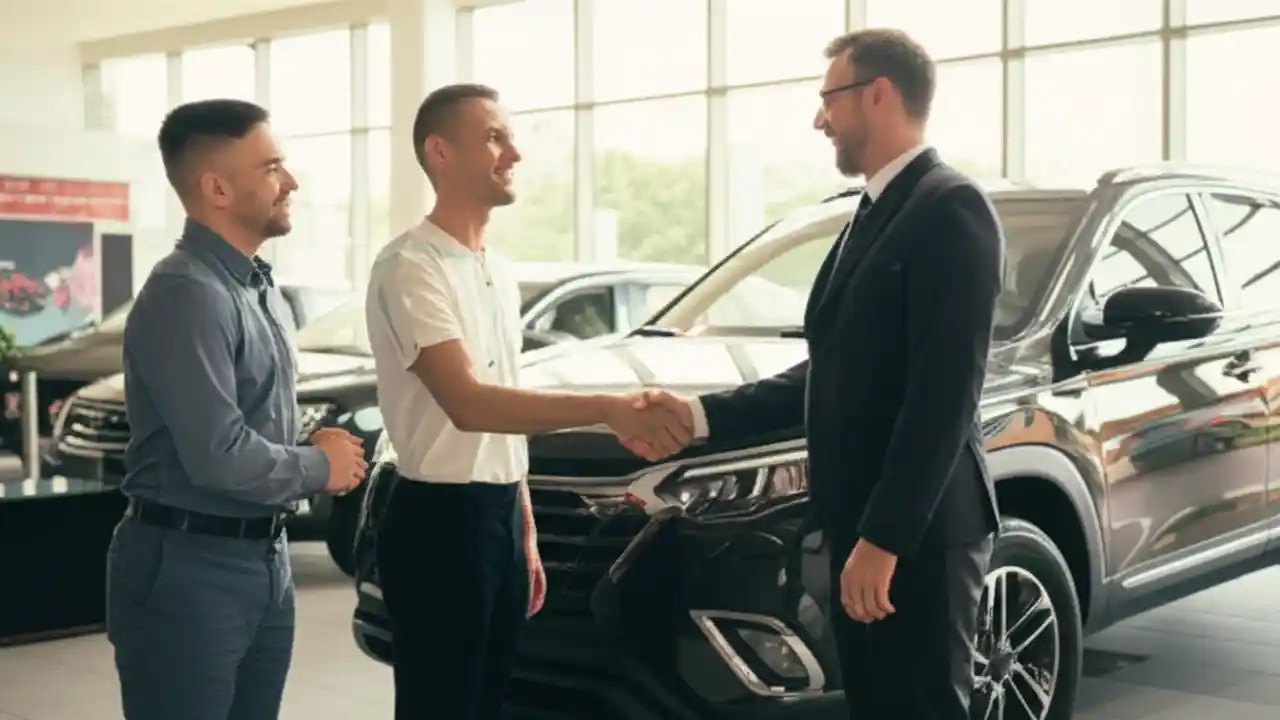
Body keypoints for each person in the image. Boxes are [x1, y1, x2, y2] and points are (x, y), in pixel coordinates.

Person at [637, 29, 1005, 719]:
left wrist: (884, 538)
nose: (818, 119)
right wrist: (698, 416)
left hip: (915, 538)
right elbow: (836, 372)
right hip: (860, 532)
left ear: (878, 95)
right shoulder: (871, 214)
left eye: (828, 99)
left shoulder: (951, 208)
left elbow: (944, 397)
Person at [363, 83, 690, 720]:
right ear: (439, 152)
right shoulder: (410, 265)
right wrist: (609, 407)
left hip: (498, 514)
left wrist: (525, 529)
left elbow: (501, 422)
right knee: (441, 704)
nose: (514, 152)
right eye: (494, 137)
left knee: (493, 700)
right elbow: (471, 405)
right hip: (436, 519)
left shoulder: (499, 271)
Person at [106, 99, 368, 720]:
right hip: (188, 569)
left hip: (264, 559)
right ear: (217, 187)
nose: (292, 182)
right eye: (273, 166)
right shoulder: (187, 292)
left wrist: (311, 448)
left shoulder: (257, 287)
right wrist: (316, 465)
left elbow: (252, 421)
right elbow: (217, 454)